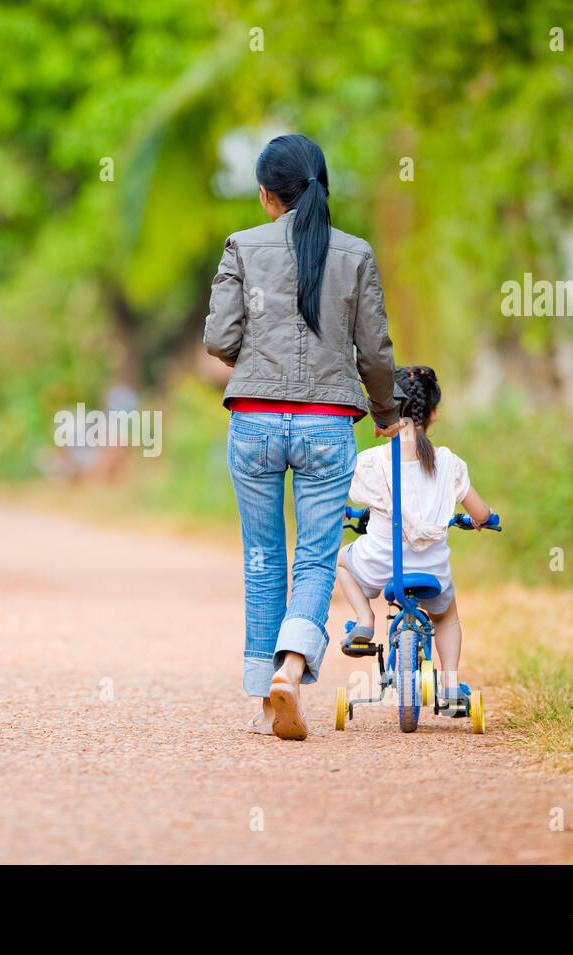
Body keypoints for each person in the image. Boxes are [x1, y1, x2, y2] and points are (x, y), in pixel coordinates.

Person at [204, 133, 403, 741]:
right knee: (314, 558)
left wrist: (257, 358)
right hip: (328, 423)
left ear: (267, 195)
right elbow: (373, 350)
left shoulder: (242, 246)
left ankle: (268, 700)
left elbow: (219, 339)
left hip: (255, 422)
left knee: (263, 561)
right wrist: (386, 411)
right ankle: (290, 671)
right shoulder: (357, 253)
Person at [335, 365, 494, 712]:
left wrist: (349, 513)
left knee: (342, 562)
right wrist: (485, 520)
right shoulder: (449, 464)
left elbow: (346, 497)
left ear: (388, 411)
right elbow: (480, 513)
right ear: (433, 412)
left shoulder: (372, 462)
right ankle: (450, 683)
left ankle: (365, 619)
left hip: (380, 561)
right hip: (431, 570)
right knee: (447, 617)